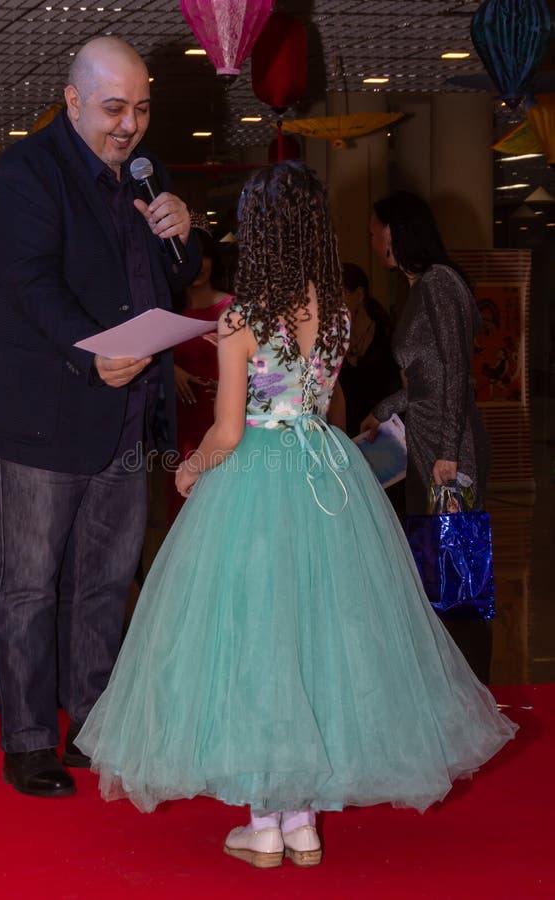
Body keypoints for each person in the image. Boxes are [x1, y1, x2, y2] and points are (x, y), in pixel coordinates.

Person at [76, 162, 515, 868]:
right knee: (319, 637)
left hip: (257, 478)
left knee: (258, 639)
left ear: (259, 235)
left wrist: (187, 471)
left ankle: (265, 821)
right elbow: (323, 406)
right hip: (326, 475)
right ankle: (303, 820)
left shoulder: (243, 321)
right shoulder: (338, 317)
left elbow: (226, 432)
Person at [0, 36, 201, 798]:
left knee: (104, 582)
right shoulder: (28, 171)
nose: (130, 126)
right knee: (28, 586)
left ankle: (93, 724)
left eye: (141, 108)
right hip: (41, 415)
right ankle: (28, 742)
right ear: (71, 101)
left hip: (124, 413)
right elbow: (27, 283)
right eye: (113, 109)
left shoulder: (146, 173)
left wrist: (183, 237)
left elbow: (172, 279)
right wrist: (88, 352)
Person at [361, 191, 492, 681]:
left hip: (447, 457)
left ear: (395, 232)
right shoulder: (420, 287)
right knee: (438, 580)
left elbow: (457, 371)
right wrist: (384, 411)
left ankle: (477, 696)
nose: (372, 242)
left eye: (375, 231)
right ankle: (452, 696)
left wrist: (451, 455)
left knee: (460, 586)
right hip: (424, 451)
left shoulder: (439, 283)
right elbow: (426, 381)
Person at [169, 225, 233, 520]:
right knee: (182, 510)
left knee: (223, 512)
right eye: (186, 257)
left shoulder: (234, 309)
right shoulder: (166, 313)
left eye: (203, 256)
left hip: (222, 418)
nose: (197, 265)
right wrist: (169, 369)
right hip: (180, 422)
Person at [338, 262, 401, 438]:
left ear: (358, 295)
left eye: (339, 295)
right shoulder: (331, 343)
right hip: (347, 442)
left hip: (386, 439)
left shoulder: (389, 338)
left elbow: (406, 391)